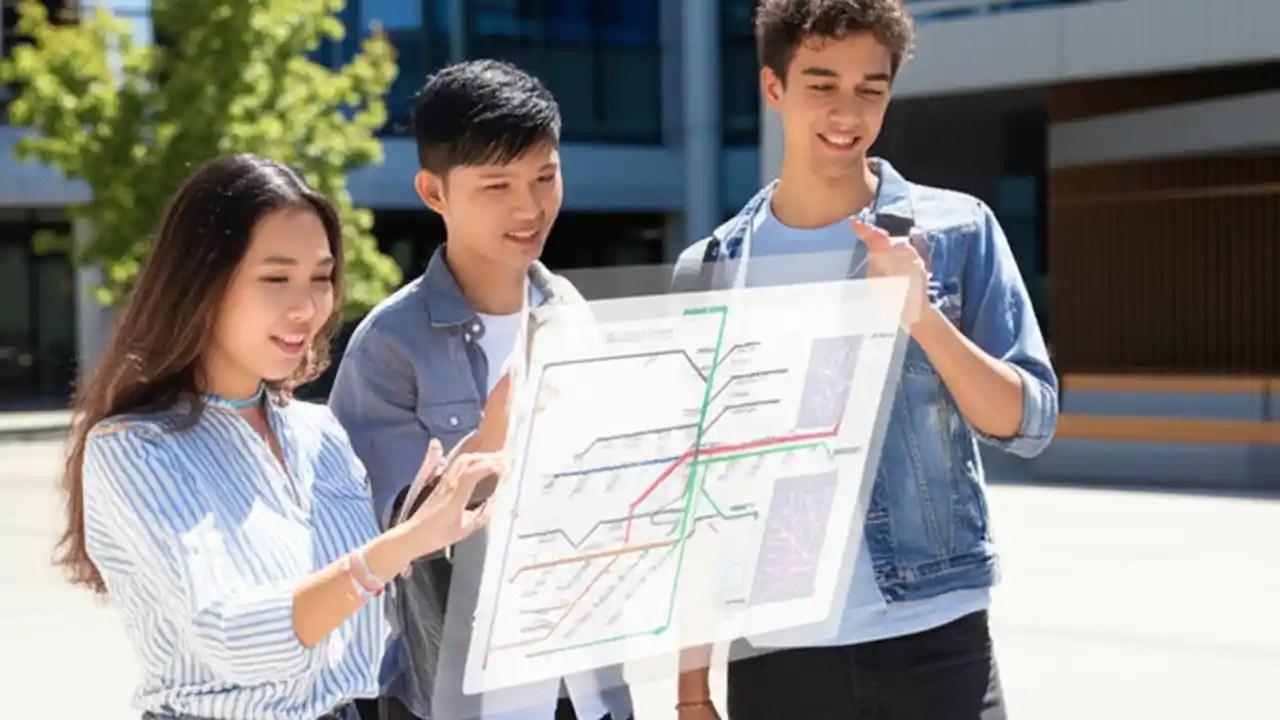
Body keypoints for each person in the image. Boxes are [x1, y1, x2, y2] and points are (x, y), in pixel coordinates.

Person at [669, 1, 1059, 718]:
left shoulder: (957, 230)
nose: (847, 111)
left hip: (934, 633)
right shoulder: (716, 266)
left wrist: (922, 319)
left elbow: (1029, 421)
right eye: (822, 84)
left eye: (870, 89)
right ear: (773, 87)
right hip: (778, 646)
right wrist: (692, 687)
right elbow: (699, 486)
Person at [55, 154, 502, 720]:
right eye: (276, 278)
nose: (307, 307)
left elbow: (367, 625)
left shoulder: (318, 434)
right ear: (203, 283)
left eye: (320, 278)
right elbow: (233, 635)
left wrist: (437, 506)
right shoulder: (133, 450)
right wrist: (395, 548)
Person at [328, 60, 633, 720]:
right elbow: (391, 546)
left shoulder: (573, 310)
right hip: (460, 698)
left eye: (545, 177)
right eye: (496, 185)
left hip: (587, 690)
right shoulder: (388, 345)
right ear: (433, 193)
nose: (529, 207)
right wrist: (499, 429)